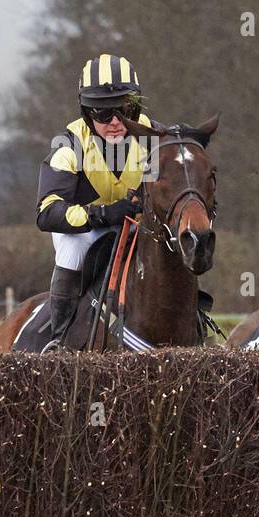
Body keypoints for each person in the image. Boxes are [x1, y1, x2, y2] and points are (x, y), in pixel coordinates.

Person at [35, 54, 154, 346]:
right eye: (102, 113)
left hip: (137, 226)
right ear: (87, 112)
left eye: (125, 111)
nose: (115, 122)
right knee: (73, 249)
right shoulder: (68, 145)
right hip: (84, 230)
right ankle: (59, 339)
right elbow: (47, 213)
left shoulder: (152, 137)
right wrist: (100, 215)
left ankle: (195, 324)